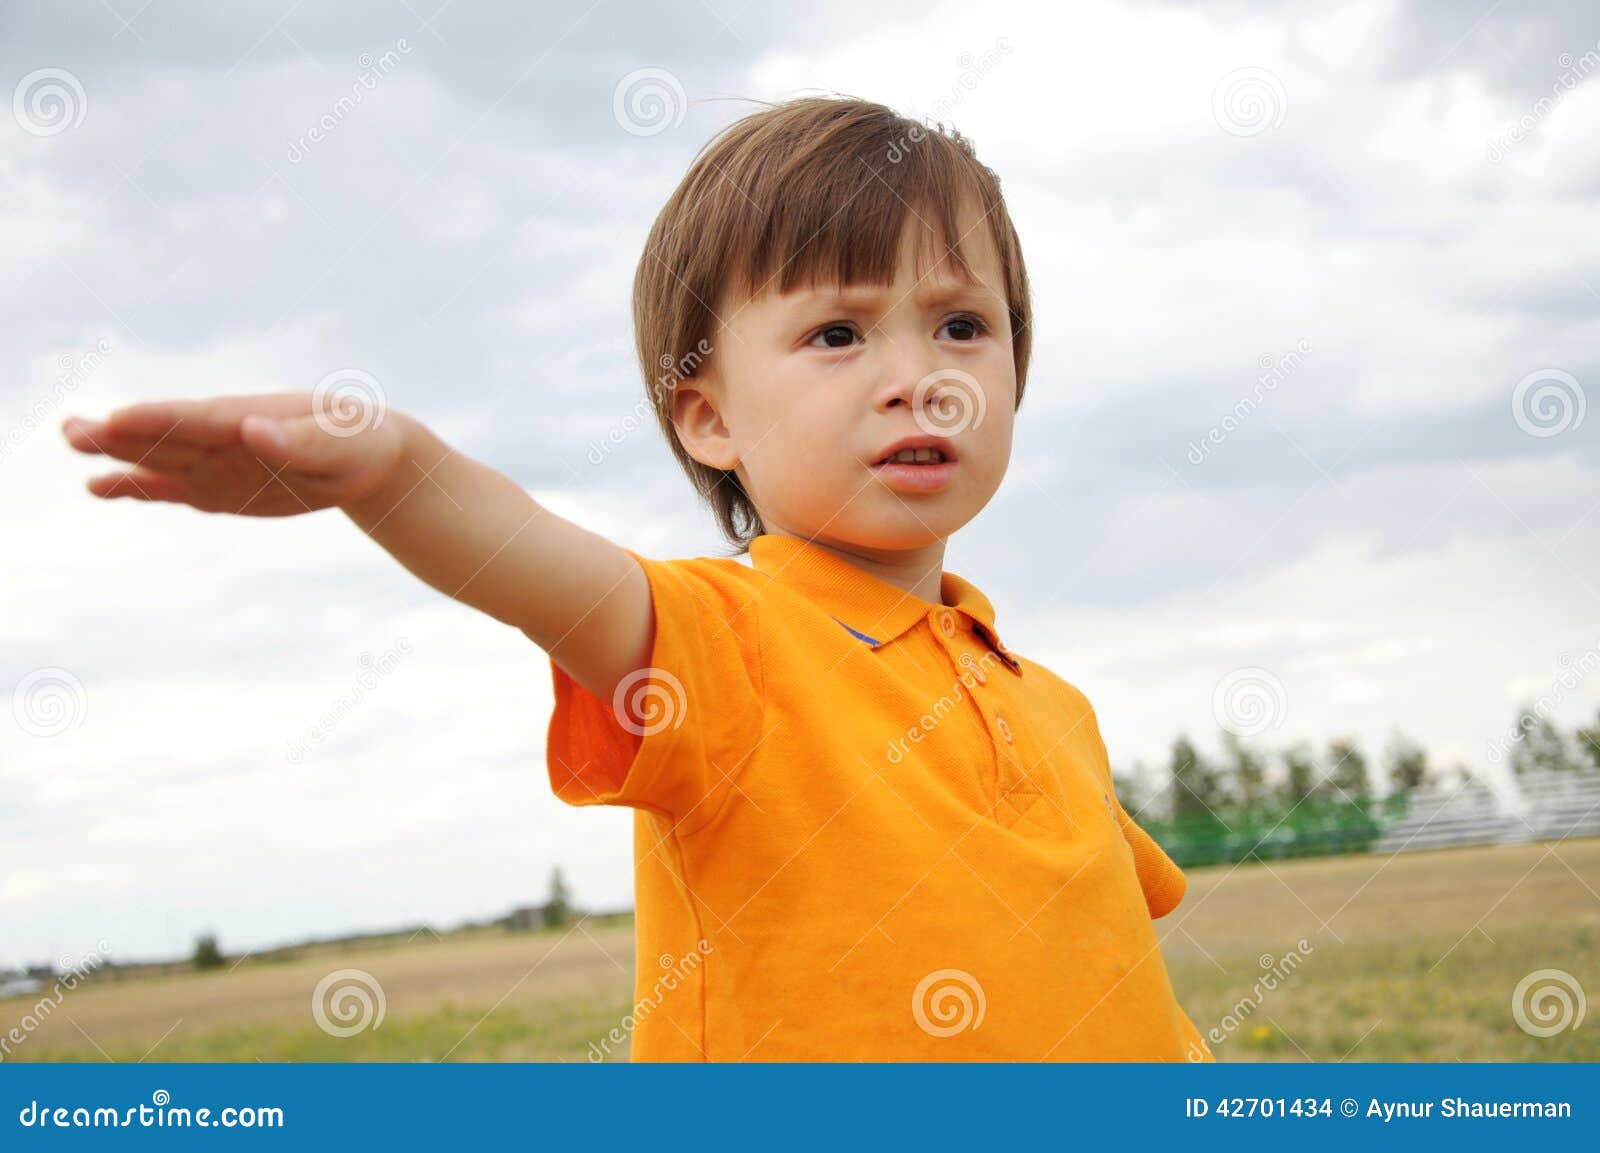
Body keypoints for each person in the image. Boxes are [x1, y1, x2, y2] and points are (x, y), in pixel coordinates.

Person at [62, 95, 1213, 1063]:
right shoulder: (734, 643)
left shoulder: (1054, 707)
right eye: (836, 334)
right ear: (708, 416)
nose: (918, 377)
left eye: (963, 324)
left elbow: (1123, 996)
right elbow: (550, 575)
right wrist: (394, 474)